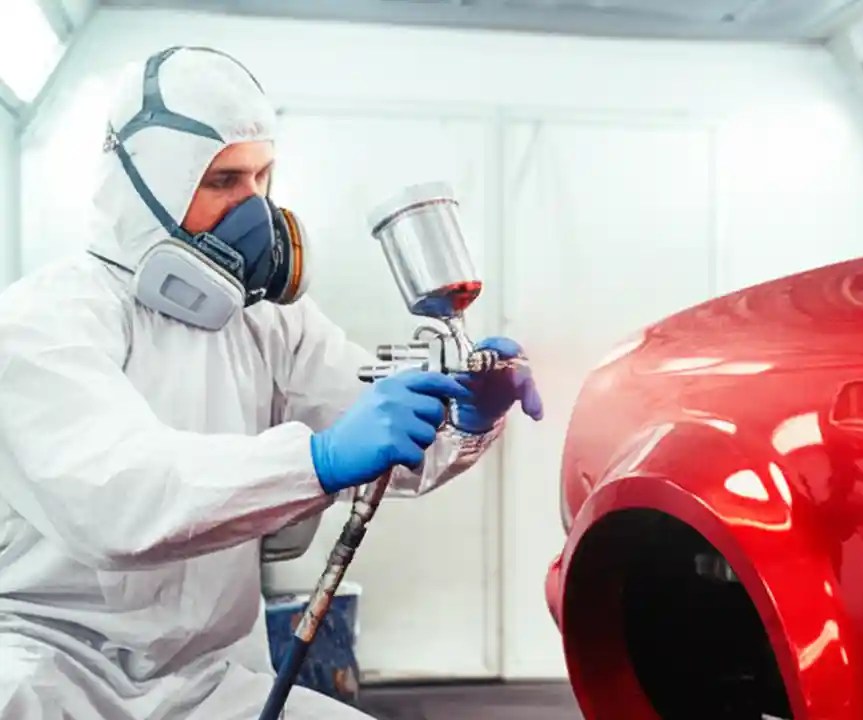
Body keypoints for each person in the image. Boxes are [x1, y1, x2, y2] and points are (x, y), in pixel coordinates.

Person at [0, 46, 542, 719]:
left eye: (262, 177)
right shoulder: (41, 322)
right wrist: (316, 459)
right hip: (52, 678)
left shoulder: (267, 322)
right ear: (148, 189)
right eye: (225, 181)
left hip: (209, 681)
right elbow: (120, 501)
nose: (254, 210)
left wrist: (464, 416)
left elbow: (390, 449)